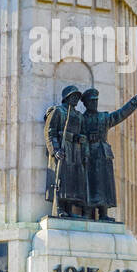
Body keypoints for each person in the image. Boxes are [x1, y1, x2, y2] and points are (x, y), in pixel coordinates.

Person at [80, 87, 137, 222]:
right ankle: (87, 211)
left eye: (96, 101)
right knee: (88, 182)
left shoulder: (103, 117)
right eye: (91, 101)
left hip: (102, 154)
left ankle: (103, 212)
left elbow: (118, 115)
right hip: (88, 154)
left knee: (104, 184)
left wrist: (131, 105)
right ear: (86, 103)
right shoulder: (81, 119)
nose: (94, 104)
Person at [44, 85, 87, 216]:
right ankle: (59, 208)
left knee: (73, 180)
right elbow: (49, 132)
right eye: (73, 96)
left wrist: (81, 138)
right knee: (60, 179)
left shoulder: (79, 116)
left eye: (77, 97)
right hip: (62, 149)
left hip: (75, 150)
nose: (76, 99)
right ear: (66, 98)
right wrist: (55, 150)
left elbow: (83, 133)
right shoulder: (58, 111)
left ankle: (69, 209)